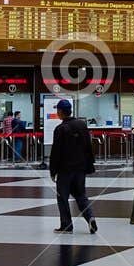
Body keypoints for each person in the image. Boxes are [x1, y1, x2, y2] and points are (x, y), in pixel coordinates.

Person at [48, 98, 97, 233]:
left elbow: (56, 152)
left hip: (65, 170)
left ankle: (66, 224)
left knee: (62, 197)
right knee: (81, 195)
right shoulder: (82, 125)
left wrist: (53, 170)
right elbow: (88, 146)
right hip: (80, 168)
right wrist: (89, 165)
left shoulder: (60, 129)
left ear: (60, 111)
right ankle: (90, 217)